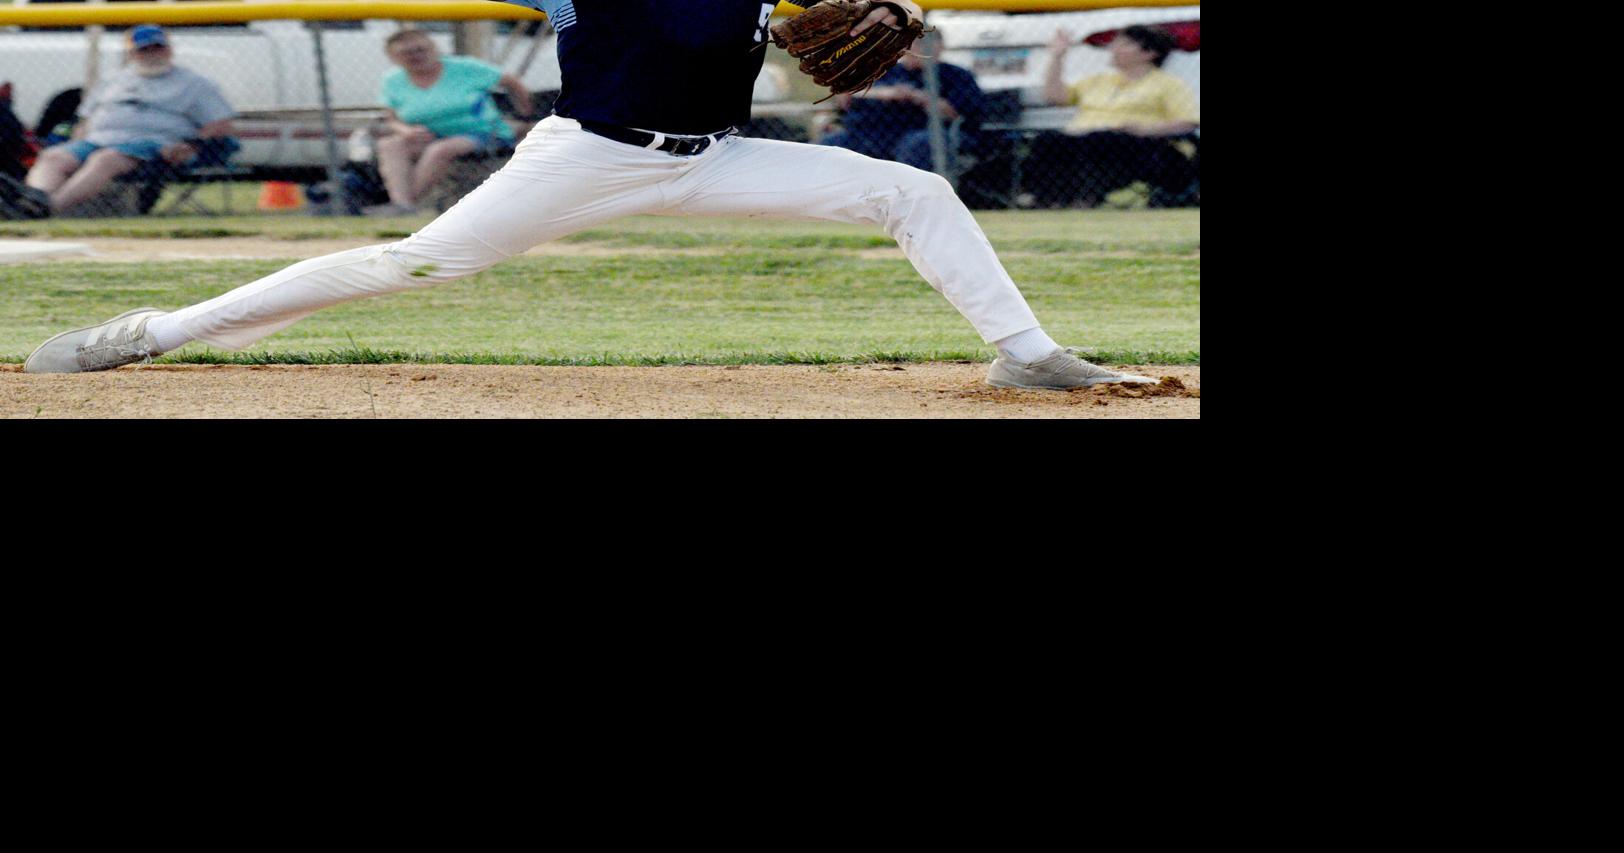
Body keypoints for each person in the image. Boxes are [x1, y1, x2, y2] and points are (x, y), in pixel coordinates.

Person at [22, 0, 1155, 390]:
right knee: (410, 263)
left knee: (911, 191)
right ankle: (151, 334)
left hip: (715, 155)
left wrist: (890, 11)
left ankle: (1024, 351)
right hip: (587, 155)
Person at [0, 25, 235, 218]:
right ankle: (30, 201)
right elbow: (85, 120)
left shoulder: (194, 83)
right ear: (131, 53)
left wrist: (192, 145)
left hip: (152, 145)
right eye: (144, 49)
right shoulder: (114, 80)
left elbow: (221, 124)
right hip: (99, 139)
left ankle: (48, 209)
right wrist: (74, 142)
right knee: (54, 156)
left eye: (158, 47)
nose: (152, 53)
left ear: (169, 50)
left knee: (105, 159)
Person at [367, 29, 537, 216]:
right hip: (430, 135)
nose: (415, 56)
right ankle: (402, 204)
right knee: (391, 145)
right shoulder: (392, 80)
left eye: (420, 49)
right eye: (406, 53)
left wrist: (525, 116)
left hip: (482, 133)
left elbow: (512, 82)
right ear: (393, 57)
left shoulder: (465, 68)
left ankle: (404, 207)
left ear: (434, 48)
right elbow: (391, 118)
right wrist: (405, 131)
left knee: (440, 150)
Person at [1027, 25, 1199, 208]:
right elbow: (1055, 97)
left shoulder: (1168, 85)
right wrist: (1057, 57)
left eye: (1123, 45)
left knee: (1102, 142)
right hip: (1082, 139)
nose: (1113, 49)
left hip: (1132, 144)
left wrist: (1146, 129)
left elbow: (1188, 122)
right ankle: (1049, 199)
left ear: (1149, 53)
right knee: (1047, 141)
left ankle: (1086, 198)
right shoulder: (1098, 81)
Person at [820, 39, 987, 175]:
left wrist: (918, 97)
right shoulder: (884, 70)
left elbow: (957, 114)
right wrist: (884, 93)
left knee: (918, 144)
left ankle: (907, 199)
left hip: (923, 131)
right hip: (871, 132)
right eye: (912, 43)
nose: (916, 49)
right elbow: (845, 98)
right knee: (833, 143)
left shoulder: (955, 75)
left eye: (924, 44)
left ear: (940, 47)